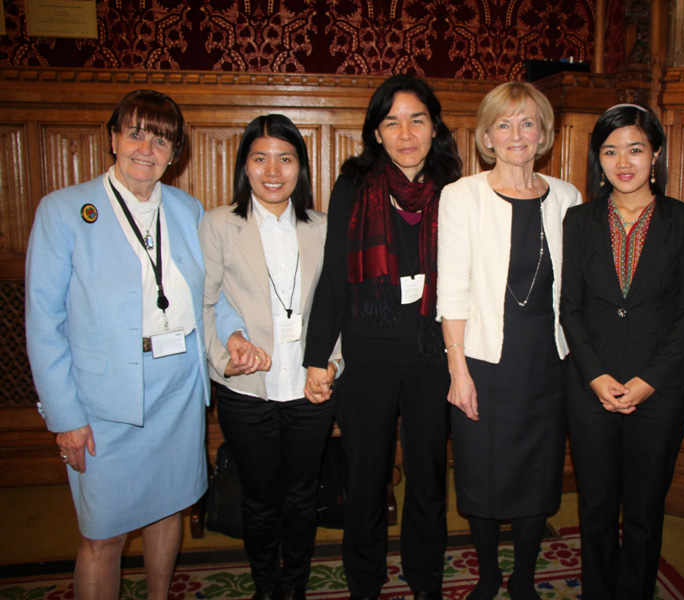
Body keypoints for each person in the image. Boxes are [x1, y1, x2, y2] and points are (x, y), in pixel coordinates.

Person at [24, 89, 242, 599]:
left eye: (161, 140)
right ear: (113, 138)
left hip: (177, 391)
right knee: (103, 534)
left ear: (175, 152)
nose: (147, 149)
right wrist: (65, 417)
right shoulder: (65, 211)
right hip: (103, 402)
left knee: (168, 510)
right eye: (136, 134)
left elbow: (213, 292)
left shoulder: (188, 210)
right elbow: (43, 322)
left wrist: (233, 336)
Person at [303, 75, 461, 600]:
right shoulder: (353, 186)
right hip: (367, 351)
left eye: (417, 120)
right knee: (366, 481)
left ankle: (426, 581)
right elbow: (333, 276)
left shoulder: (455, 190)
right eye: (392, 122)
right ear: (376, 132)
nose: (406, 133)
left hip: (431, 351)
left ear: (434, 127)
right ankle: (365, 584)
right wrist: (317, 357)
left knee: (428, 480)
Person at [437, 81, 581, 600]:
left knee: (537, 474)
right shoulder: (461, 196)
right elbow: (452, 290)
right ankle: (488, 575)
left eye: (527, 123)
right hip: (483, 357)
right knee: (481, 472)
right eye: (504, 124)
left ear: (543, 133)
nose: (516, 134)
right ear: (487, 136)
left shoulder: (567, 196)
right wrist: (458, 372)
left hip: (548, 359)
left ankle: (522, 576)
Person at [559, 104, 684, 599]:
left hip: (657, 391)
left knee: (644, 511)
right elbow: (570, 308)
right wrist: (596, 376)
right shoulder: (578, 220)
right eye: (610, 151)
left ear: (655, 154)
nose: (623, 162)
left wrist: (650, 381)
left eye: (635, 149)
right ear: (598, 159)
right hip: (590, 386)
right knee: (596, 507)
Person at [200, 114, 341, 600]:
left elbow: (339, 306)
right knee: (259, 500)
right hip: (246, 390)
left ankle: (295, 586)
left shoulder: (323, 227)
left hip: (309, 389)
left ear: (301, 166)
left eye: (286, 158)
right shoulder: (219, 224)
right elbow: (205, 302)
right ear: (245, 165)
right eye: (260, 158)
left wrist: (333, 363)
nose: (273, 171)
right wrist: (224, 356)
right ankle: (265, 587)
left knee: (301, 498)